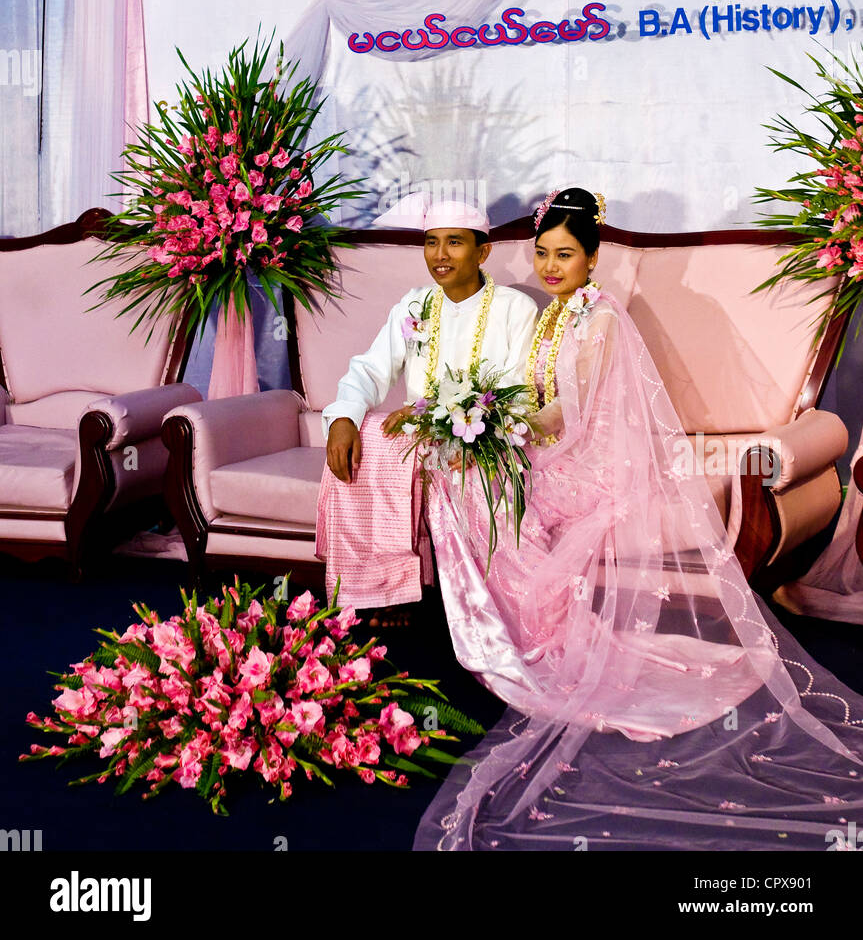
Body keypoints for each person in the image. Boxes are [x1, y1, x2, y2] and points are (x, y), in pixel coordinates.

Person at [414, 188, 863, 852]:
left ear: (592, 258)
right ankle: (499, 631)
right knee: (459, 475)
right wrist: (480, 421)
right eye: (541, 254)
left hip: (592, 464)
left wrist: (490, 424)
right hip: (551, 449)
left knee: (478, 480)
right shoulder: (553, 316)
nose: (549, 266)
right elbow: (532, 401)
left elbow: (566, 416)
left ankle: (520, 639)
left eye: (563, 254)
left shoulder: (598, 318)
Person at [315, 198, 538, 615]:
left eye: (454, 242)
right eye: (431, 242)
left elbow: (516, 391)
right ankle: (381, 595)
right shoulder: (416, 305)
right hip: (419, 447)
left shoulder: (515, 308)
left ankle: (454, 605)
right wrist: (344, 415)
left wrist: (433, 411)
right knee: (367, 437)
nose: (439, 255)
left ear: (483, 251)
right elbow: (371, 368)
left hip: (487, 445)